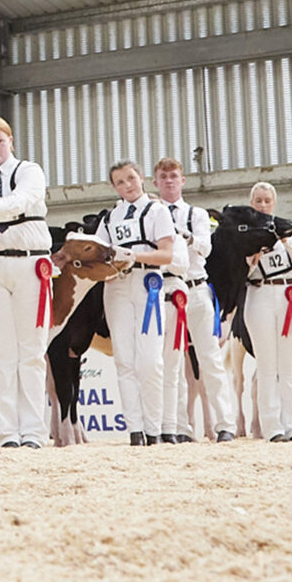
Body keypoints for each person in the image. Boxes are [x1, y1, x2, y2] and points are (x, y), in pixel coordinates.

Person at [0, 115, 52, 449]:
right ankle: (6, 432)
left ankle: (33, 432)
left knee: (31, 351)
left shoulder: (29, 171)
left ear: (11, 141)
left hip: (31, 264)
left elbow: (23, 201)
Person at [150, 159, 234, 443]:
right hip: (165, 290)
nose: (170, 181)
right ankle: (179, 427)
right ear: (156, 183)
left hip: (196, 290)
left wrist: (179, 235)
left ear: (183, 180)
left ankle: (225, 424)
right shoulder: (151, 213)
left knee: (209, 357)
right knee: (170, 360)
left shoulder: (196, 214)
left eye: (174, 176)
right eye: (164, 177)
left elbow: (205, 247)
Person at [96, 161, 179, 446]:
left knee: (150, 360)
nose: (127, 185)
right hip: (116, 286)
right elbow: (99, 254)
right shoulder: (109, 218)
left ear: (141, 178)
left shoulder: (158, 211)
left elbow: (166, 254)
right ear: (114, 187)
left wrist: (132, 255)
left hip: (149, 284)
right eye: (120, 182)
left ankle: (153, 428)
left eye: (130, 178)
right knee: (124, 359)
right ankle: (134, 429)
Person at [237, 181, 292, 441]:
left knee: (289, 366)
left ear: (274, 202)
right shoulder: (245, 232)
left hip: (289, 295)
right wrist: (252, 256)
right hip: (259, 294)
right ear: (251, 203)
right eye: (258, 200)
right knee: (266, 366)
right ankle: (272, 427)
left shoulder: (287, 227)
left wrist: (287, 238)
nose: (264, 205)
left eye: (267, 200)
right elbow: (240, 271)